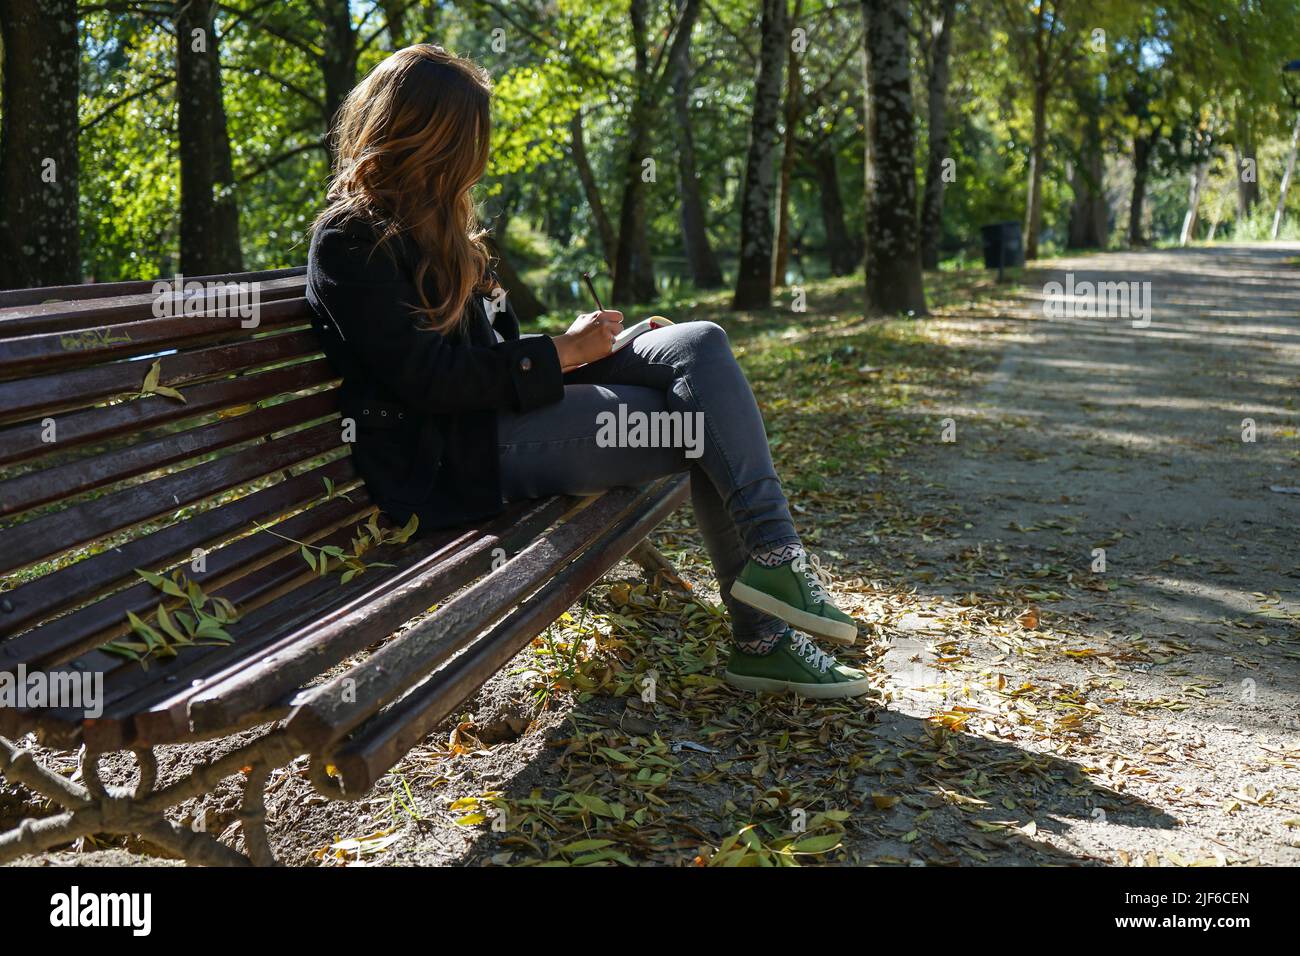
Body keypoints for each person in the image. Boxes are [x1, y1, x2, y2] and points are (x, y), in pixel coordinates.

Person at [306, 45, 869, 698]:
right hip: (450, 454)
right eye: (469, 142)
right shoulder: (349, 241)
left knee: (700, 345)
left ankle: (777, 561)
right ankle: (764, 639)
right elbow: (428, 380)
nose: (477, 161)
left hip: (494, 419)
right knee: (701, 423)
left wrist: (589, 348)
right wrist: (561, 353)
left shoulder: (445, 231)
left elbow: (498, 349)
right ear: (428, 140)